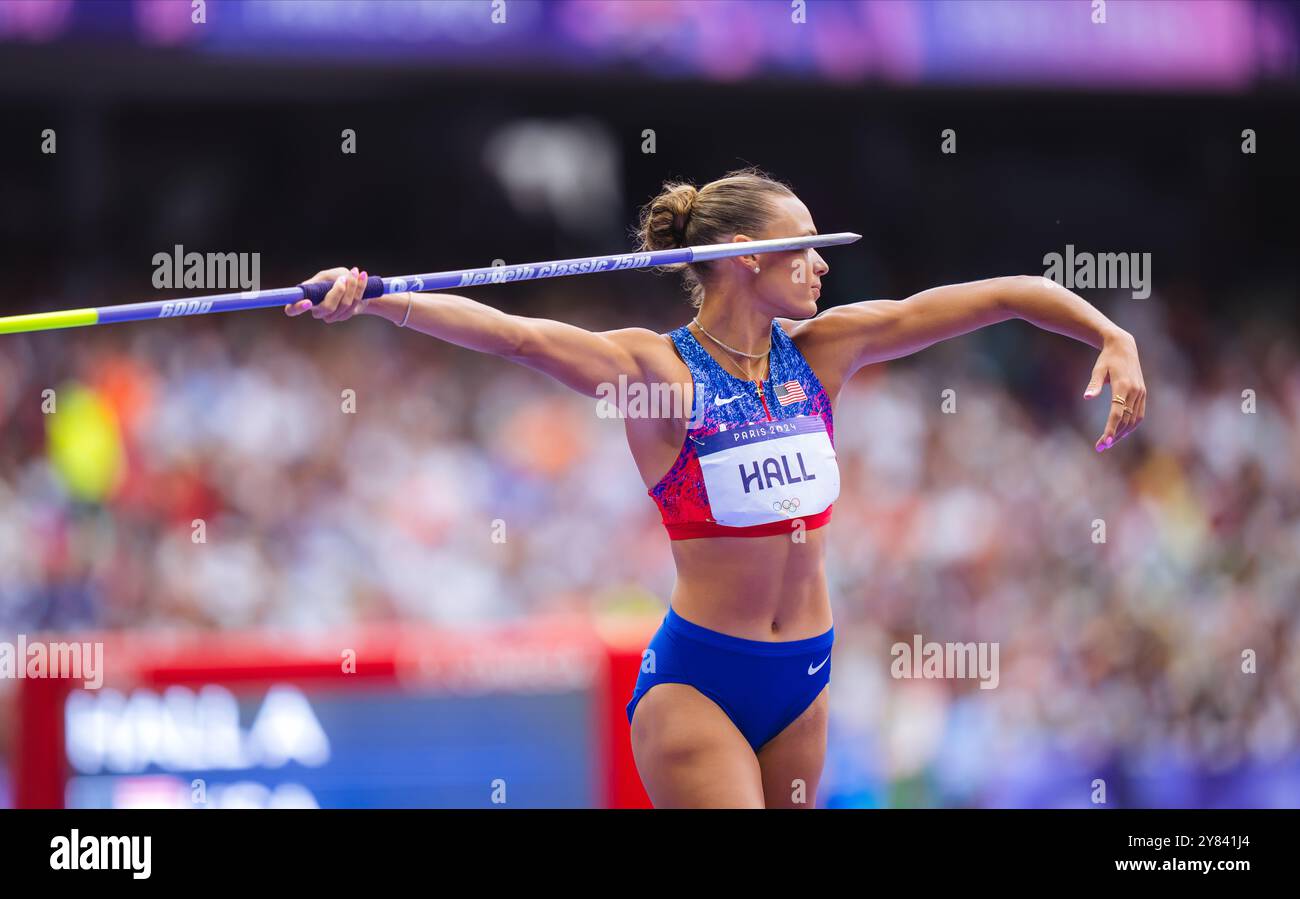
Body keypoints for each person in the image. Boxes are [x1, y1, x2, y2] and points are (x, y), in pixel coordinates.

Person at [287, 168, 1146, 808]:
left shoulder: (825, 351)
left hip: (805, 676)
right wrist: (378, 297)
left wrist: (1111, 333)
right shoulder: (659, 374)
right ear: (743, 257)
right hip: (699, 684)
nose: (821, 265)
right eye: (802, 247)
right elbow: (518, 336)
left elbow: (999, 297)